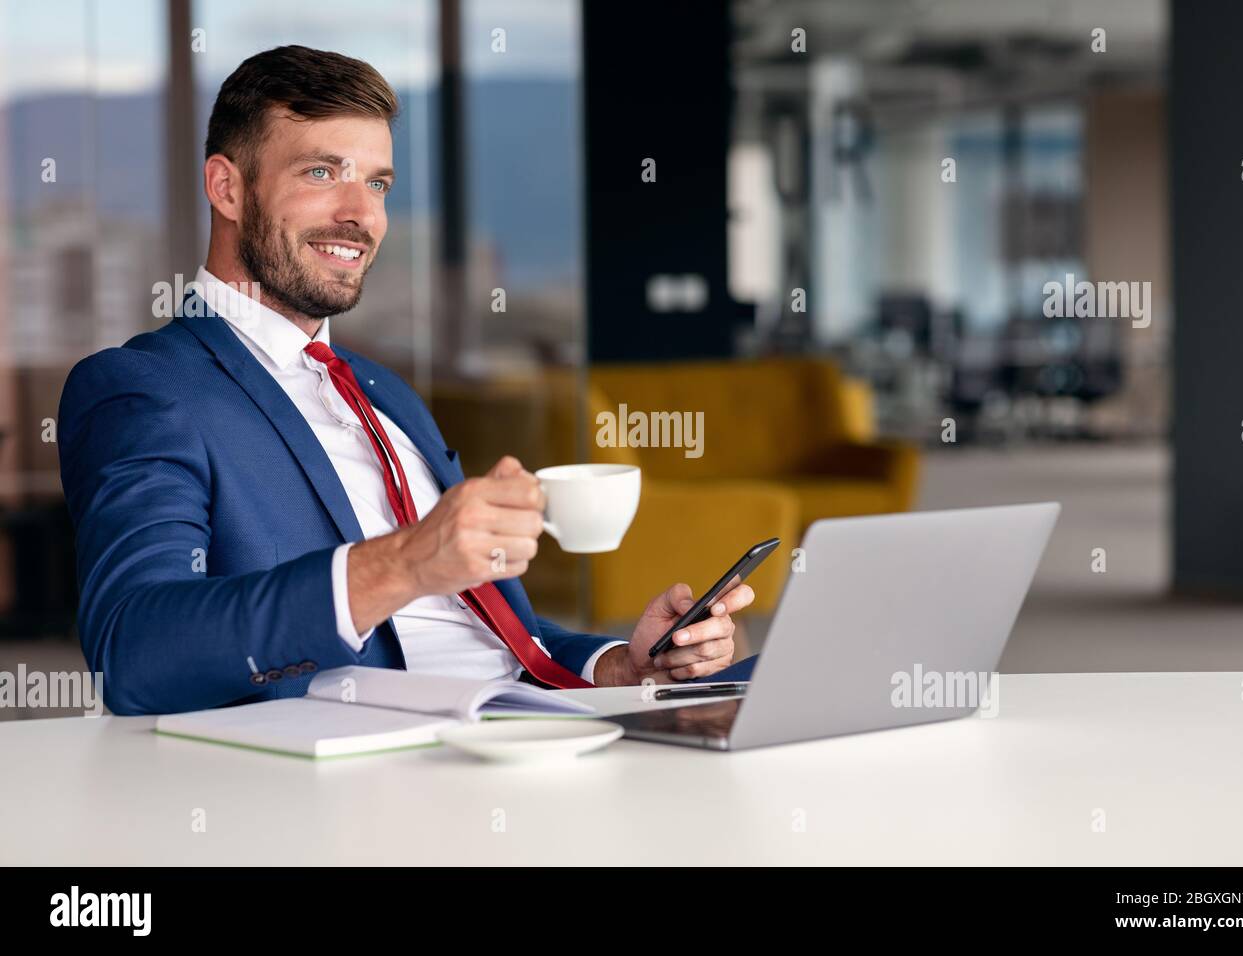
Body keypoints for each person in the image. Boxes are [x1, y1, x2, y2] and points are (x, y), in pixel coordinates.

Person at [57, 45, 752, 716]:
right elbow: (134, 653)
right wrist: (401, 565)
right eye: (322, 174)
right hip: (386, 770)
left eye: (378, 183)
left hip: (528, 728)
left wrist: (620, 667)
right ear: (227, 187)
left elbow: (489, 635)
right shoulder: (144, 388)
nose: (360, 214)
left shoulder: (386, 395)